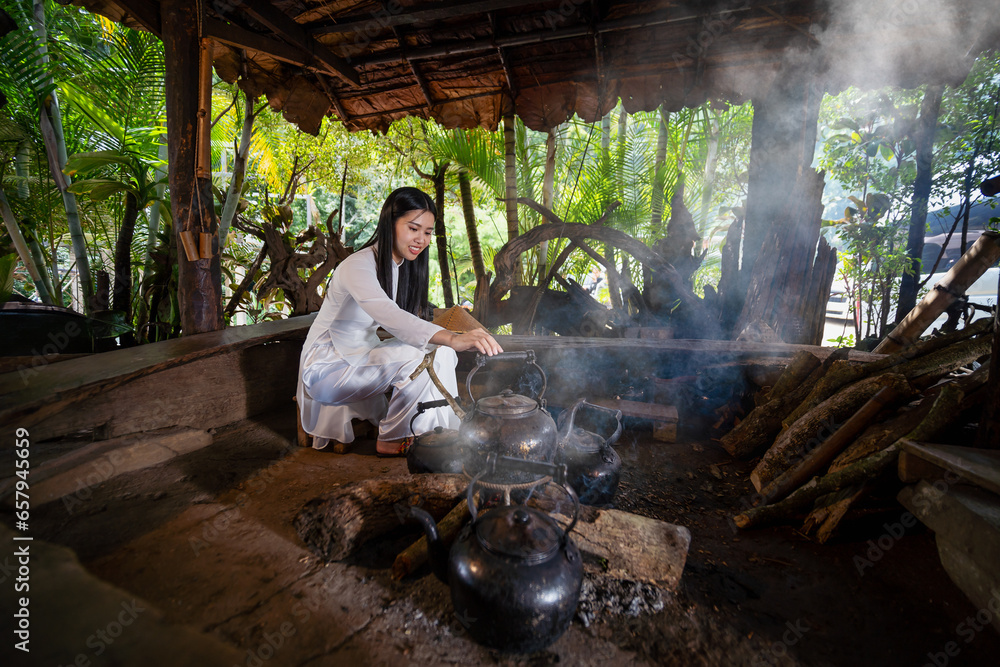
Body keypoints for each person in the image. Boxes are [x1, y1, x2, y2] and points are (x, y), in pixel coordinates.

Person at [297, 187, 502, 456]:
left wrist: (447, 342)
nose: (421, 239)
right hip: (328, 367)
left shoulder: (396, 266)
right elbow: (390, 316)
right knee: (421, 355)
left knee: (439, 353)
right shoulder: (358, 265)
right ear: (389, 223)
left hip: (361, 358)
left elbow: (406, 321)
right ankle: (395, 437)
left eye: (427, 232)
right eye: (413, 228)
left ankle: (438, 434)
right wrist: (453, 336)